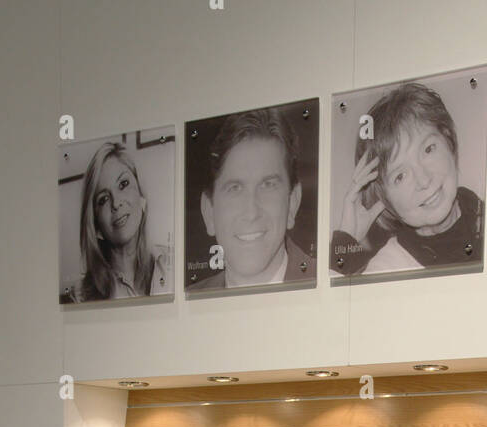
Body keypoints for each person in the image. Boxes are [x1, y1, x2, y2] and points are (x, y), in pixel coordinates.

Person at [331, 81, 484, 277]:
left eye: (428, 149)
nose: (423, 180)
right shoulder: (385, 270)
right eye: (400, 176)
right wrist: (345, 244)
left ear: (449, 141)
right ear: (385, 201)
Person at [196, 107, 316, 289]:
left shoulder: (338, 291)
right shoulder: (187, 301)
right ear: (208, 212)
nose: (251, 212)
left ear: (293, 203)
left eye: (268, 185)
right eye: (235, 188)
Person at [61, 141, 172, 302]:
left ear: (140, 193)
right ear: (95, 222)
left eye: (123, 184)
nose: (115, 203)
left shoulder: (174, 263)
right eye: (103, 199)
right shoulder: (81, 296)